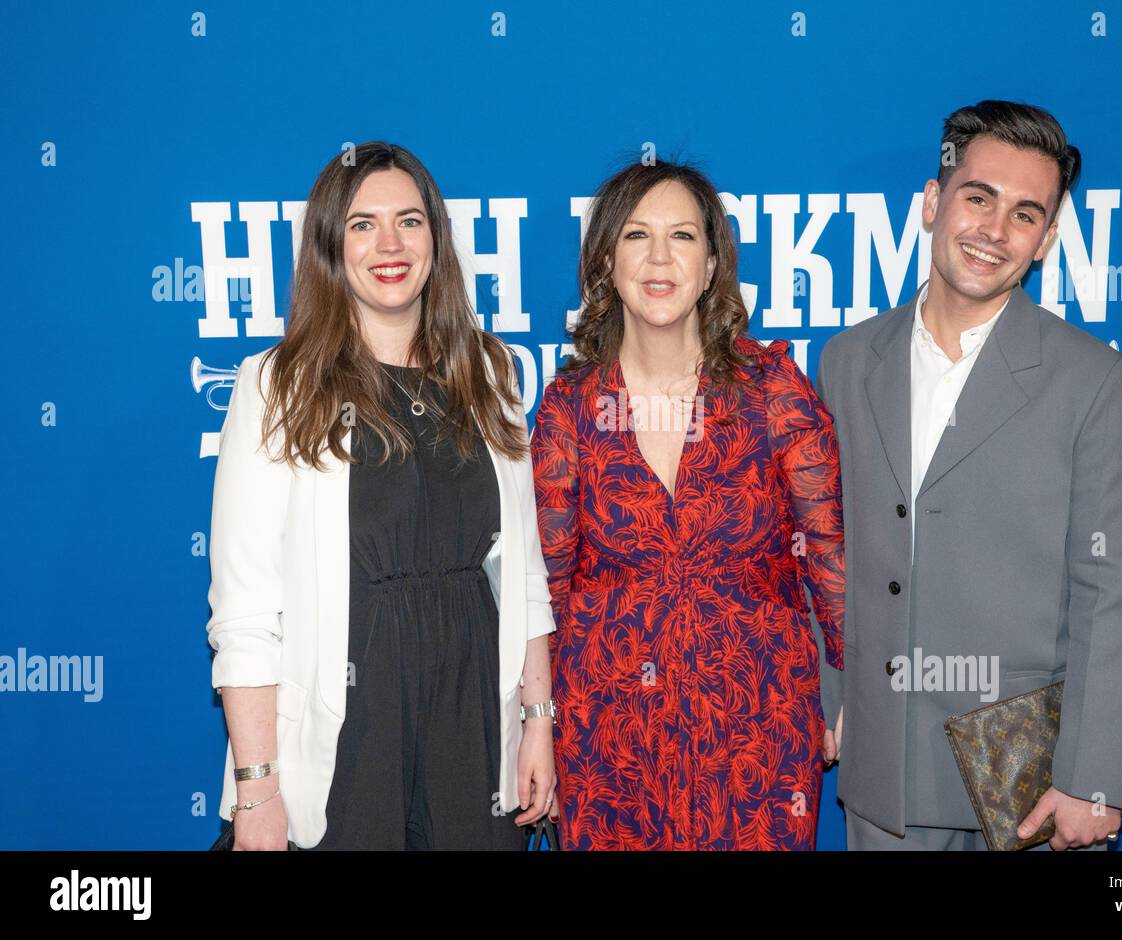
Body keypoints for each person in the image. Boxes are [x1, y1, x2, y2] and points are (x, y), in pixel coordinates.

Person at [817, 100, 1122, 850]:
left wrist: (1095, 776)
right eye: (978, 198)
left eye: (1025, 214)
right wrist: (827, 698)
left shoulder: (1092, 379)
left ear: (1046, 240)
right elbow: (822, 549)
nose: (994, 231)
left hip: (1029, 785)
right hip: (884, 774)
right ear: (934, 203)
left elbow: (1114, 589)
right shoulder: (846, 361)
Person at [206, 141, 557, 850]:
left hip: (473, 722)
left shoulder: (489, 371)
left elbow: (521, 573)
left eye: (410, 220)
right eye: (362, 224)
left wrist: (536, 722)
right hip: (352, 728)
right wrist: (259, 789)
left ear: (437, 237)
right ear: (332, 245)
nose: (389, 245)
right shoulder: (278, 385)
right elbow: (244, 616)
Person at [530, 158, 845, 850]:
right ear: (606, 263)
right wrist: (536, 724)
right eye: (638, 236)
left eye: (683, 236)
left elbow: (830, 559)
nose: (661, 257)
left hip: (761, 730)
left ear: (711, 265)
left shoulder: (774, 392)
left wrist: (848, 691)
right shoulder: (570, 409)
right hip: (607, 738)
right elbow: (543, 594)